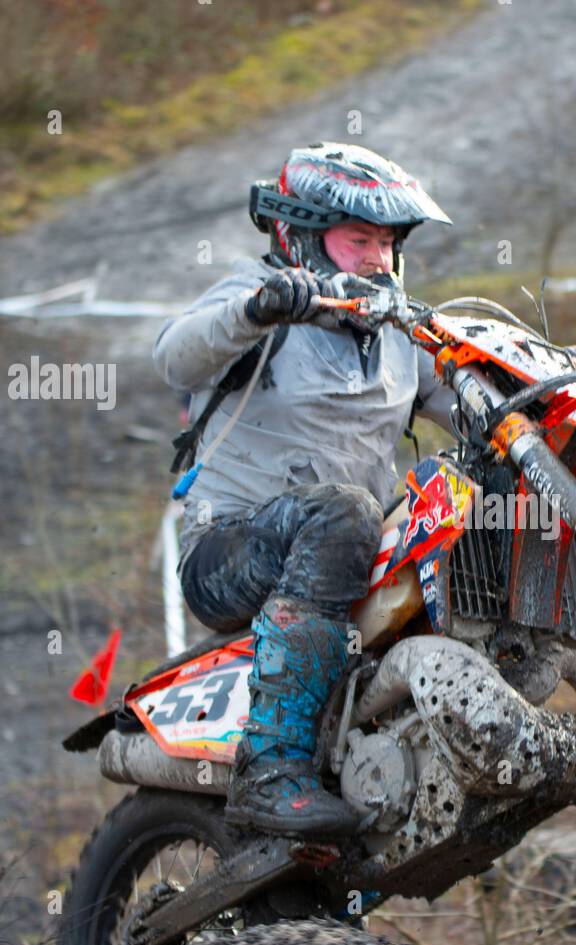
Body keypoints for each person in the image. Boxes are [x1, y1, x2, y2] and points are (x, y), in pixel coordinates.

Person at [153, 142, 457, 839]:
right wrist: (261, 310)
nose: (379, 258)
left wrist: (541, 390)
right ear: (301, 235)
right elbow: (172, 355)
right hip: (229, 553)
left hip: (343, 559)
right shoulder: (255, 297)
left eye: (387, 242)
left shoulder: (394, 334)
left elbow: (468, 400)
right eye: (360, 240)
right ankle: (270, 769)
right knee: (345, 509)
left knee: (464, 494)